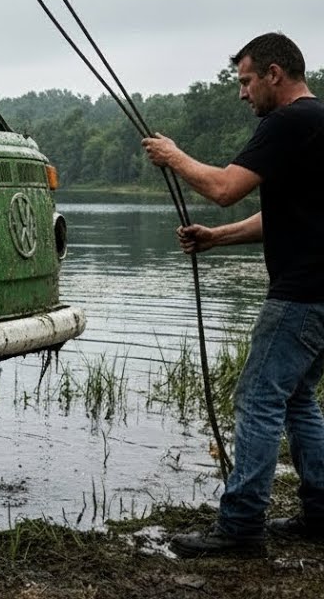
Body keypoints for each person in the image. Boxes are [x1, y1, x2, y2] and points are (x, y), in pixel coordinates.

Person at [142, 32, 324, 558]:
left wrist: (173, 155)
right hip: (322, 293)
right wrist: (216, 239)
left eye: (246, 81)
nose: (242, 93)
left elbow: (224, 188)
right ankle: (321, 514)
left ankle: (241, 528)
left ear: (274, 74)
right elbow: (288, 215)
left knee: (258, 399)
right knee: (298, 400)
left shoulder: (287, 123)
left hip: (301, 294)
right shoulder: (320, 122)